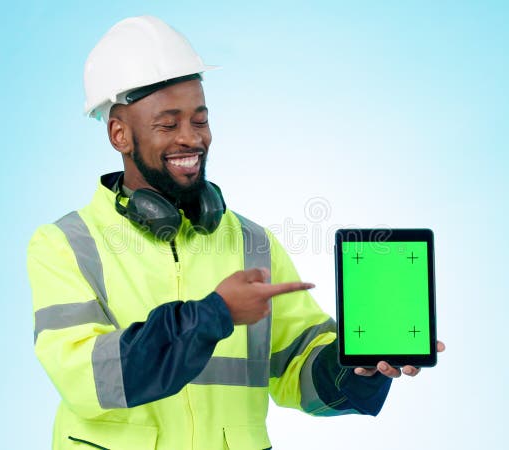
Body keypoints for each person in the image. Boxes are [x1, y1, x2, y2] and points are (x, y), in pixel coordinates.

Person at [27, 15, 445, 450]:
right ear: (120, 134)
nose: (191, 138)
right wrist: (215, 315)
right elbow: (90, 381)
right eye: (168, 125)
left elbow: (299, 372)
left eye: (200, 120)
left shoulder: (252, 244)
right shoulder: (66, 246)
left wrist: (356, 369)